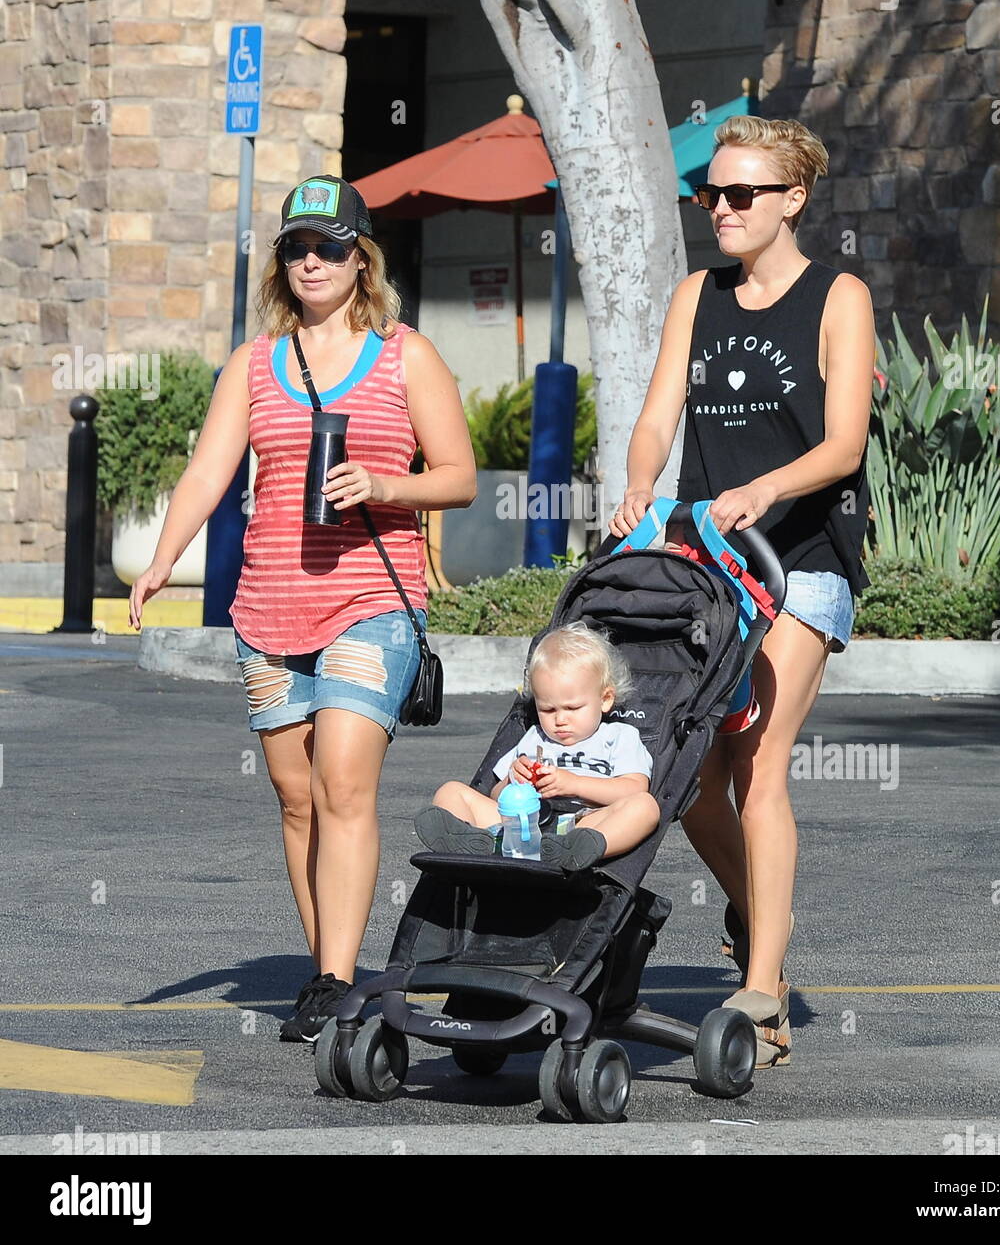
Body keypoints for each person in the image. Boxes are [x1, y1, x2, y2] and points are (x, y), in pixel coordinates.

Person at [128, 175, 476, 1042]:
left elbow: (460, 478)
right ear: (282, 262)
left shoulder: (406, 355)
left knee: (343, 782)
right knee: (295, 798)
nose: (313, 261)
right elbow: (210, 471)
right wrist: (163, 560)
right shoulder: (253, 365)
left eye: (330, 246)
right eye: (297, 247)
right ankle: (332, 957)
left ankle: (329, 981)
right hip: (268, 606)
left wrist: (384, 484)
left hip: (370, 600)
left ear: (362, 259)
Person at [609, 117, 875, 1068]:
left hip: (800, 556)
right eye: (709, 195)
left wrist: (765, 488)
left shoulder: (836, 296)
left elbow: (844, 442)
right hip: (708, 559)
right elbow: (655, 417)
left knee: (759, 764)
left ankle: (760, 992)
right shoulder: (697, 294)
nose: (718, 209)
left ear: (792, 200)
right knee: (685, 782)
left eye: (740, 195)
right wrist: (640, 484)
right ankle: (758, 906)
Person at [414, 623, 659, 869]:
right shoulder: (535, 737)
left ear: (605, 699)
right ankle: (482, 842)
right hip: (520, 824)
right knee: (450, 791)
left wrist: (573, 784)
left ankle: (568, 850)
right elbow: (495, 795)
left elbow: (633, 789)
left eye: (573, 708)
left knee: (645, 808)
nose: (560, 719)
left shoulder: (618, 736)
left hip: (582, 824)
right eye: (547, 709)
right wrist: (512, 781)